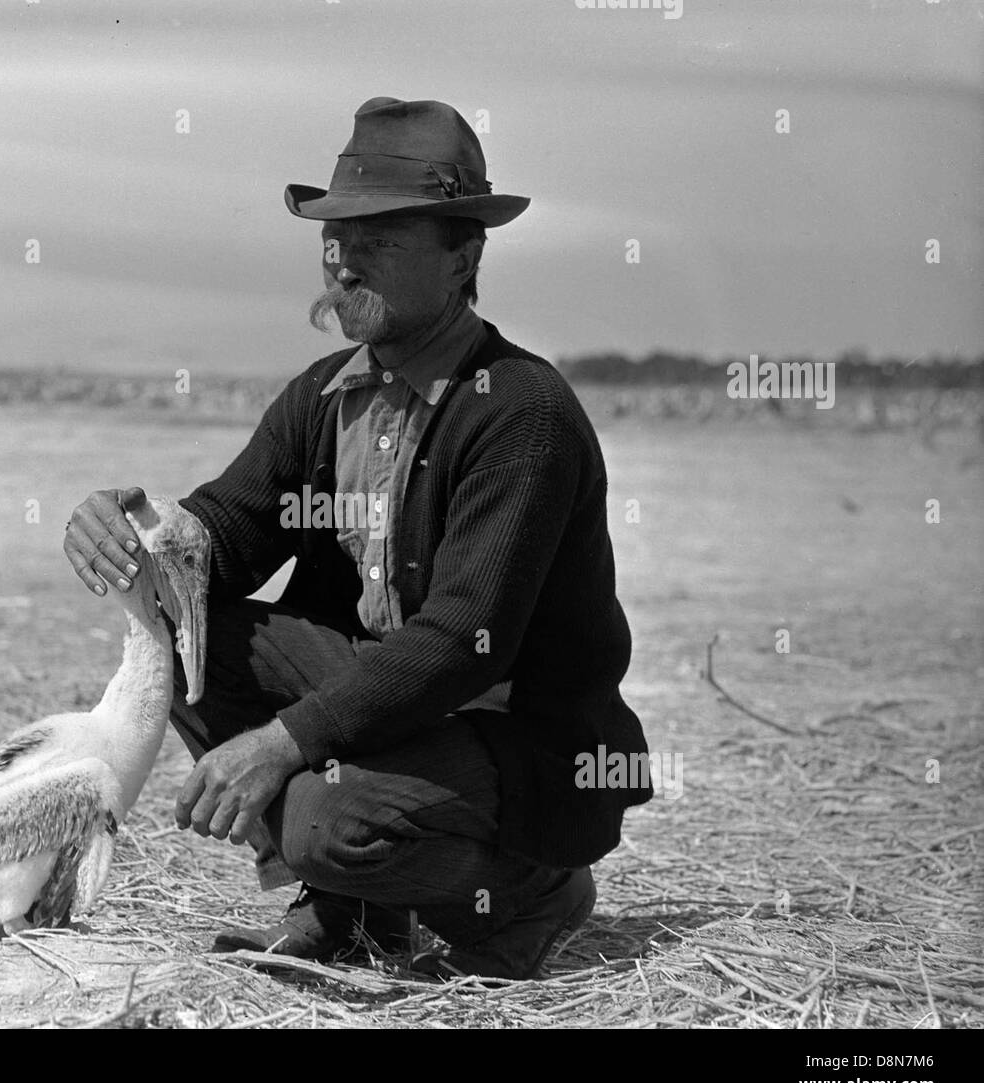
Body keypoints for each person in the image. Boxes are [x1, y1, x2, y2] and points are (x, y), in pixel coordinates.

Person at [63, 97, 651, 980]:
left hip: (515, 741)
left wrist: (283, 742)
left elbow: (461, 644)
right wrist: (139, 534)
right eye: (335, 233)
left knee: (322, 825)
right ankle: (352, 915)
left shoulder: (519, 413)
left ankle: (534, 891)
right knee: (179, 623)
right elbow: (228, 528)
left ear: (463, 254)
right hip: (385, 703)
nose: (342, 255)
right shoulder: (326, 395)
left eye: (378, 233)